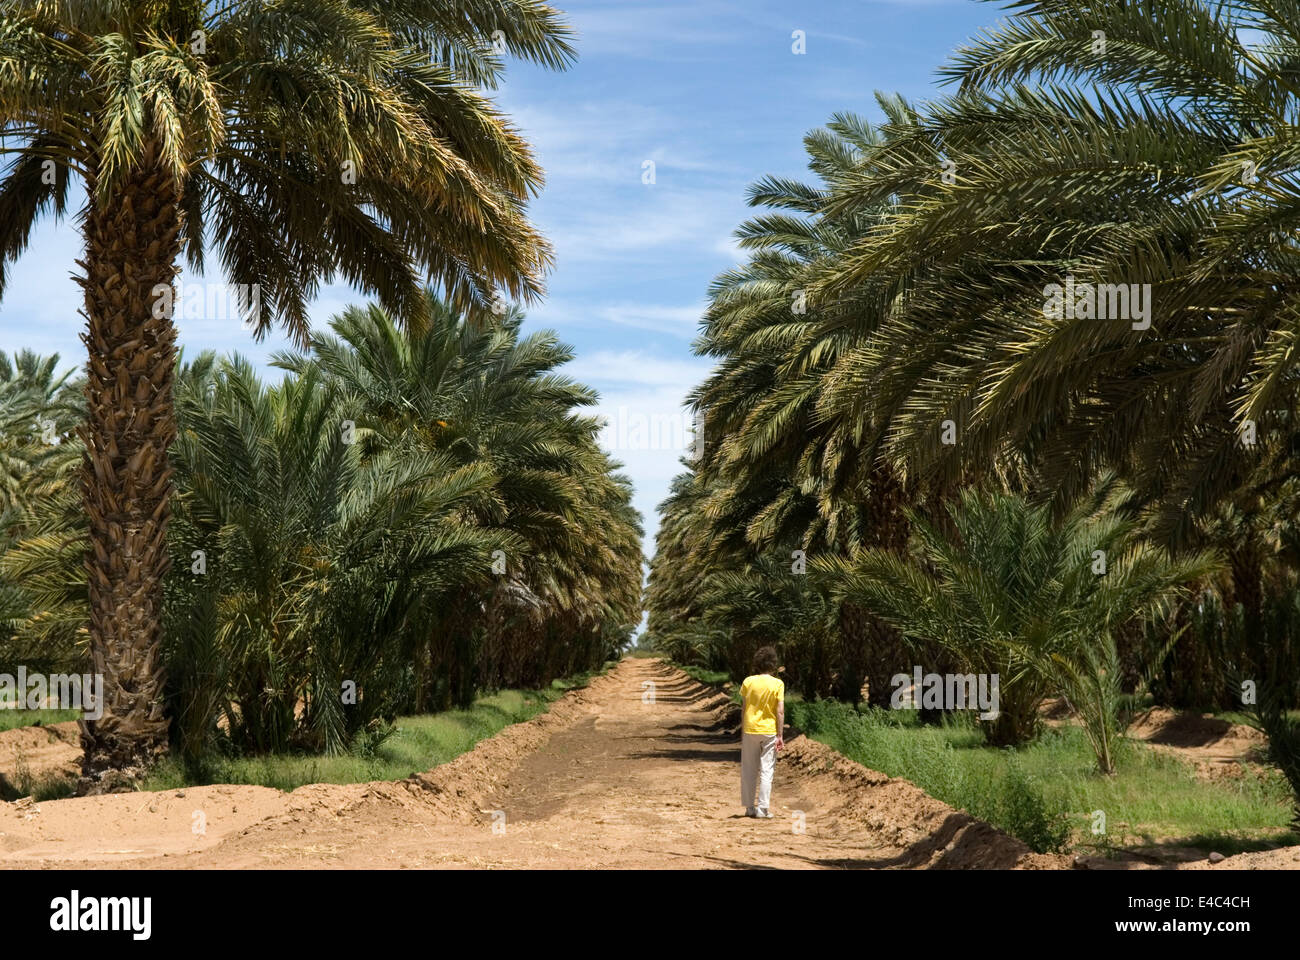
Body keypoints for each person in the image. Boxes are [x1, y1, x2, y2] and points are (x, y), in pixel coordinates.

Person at [739, 646, 784, 818]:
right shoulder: (778, 684)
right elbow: (780, 711)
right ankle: (763, 809)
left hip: (750, 729)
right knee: (767, 769)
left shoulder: (748, 682)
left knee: (748, 769)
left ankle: (749, 808)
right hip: (769, 731)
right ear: (773, 664)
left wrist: (743, 730)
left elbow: (744, 708)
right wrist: (780, 735)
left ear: (757, 664)